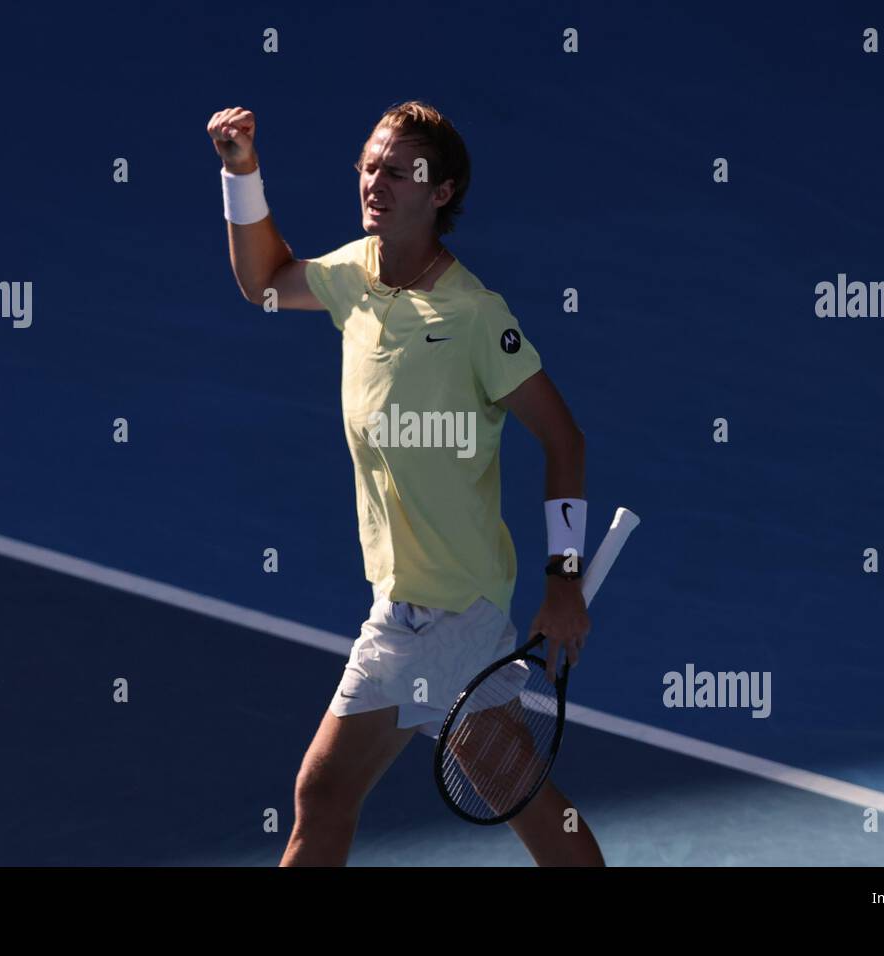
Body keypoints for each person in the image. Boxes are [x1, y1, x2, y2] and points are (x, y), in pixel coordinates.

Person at [209, 101, 602, 866]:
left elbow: (564, 438)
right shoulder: (357, 275)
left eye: (398, 170)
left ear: (441, 191)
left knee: (333, 796)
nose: (375, 181)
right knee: (504, 796)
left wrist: (564, 580)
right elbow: (262, 281)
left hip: (450, 615)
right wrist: (241, 172)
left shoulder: (476, 316)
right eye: (368, 165)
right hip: (407, 606)